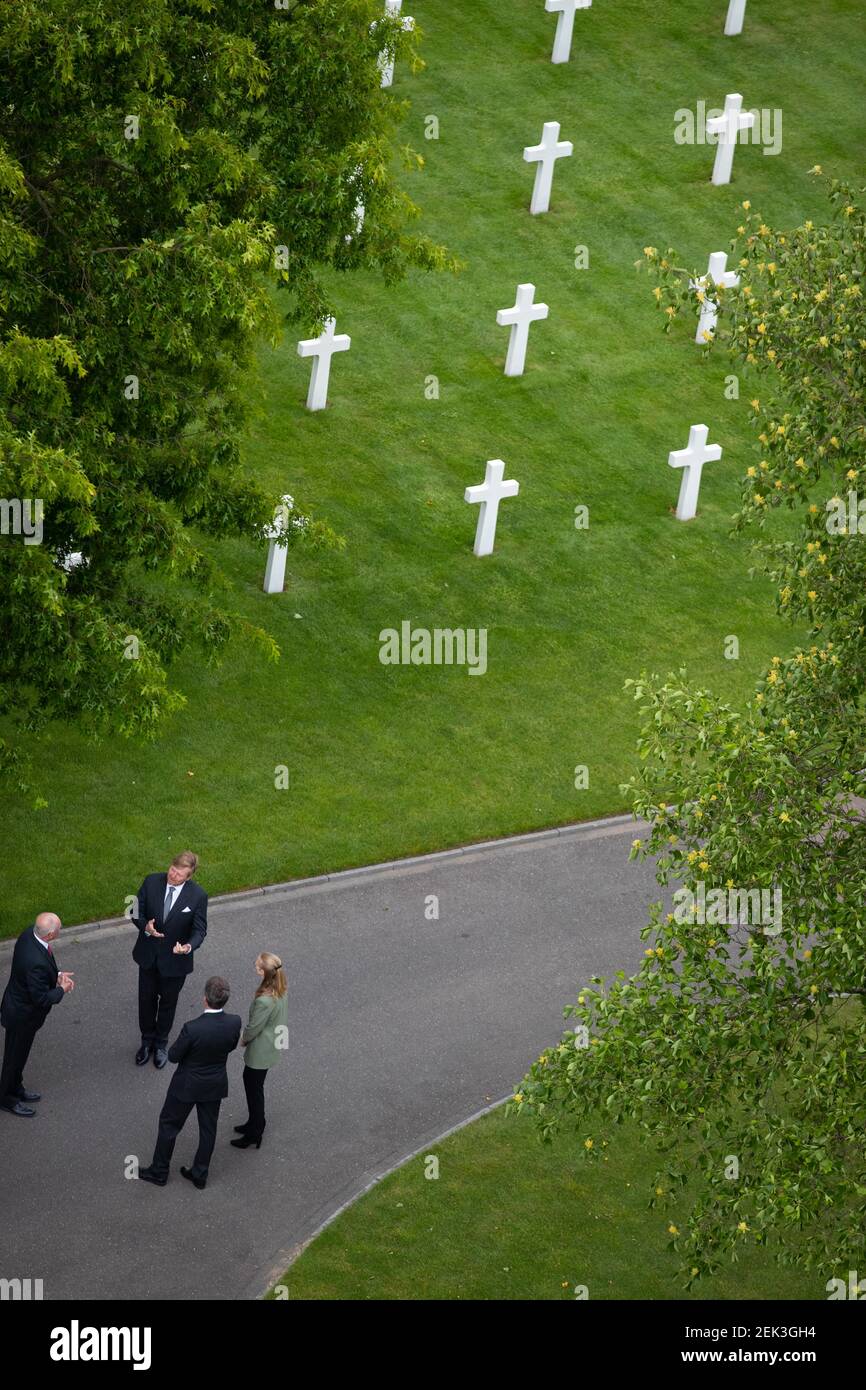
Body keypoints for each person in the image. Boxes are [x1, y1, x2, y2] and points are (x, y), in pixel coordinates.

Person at [138, 976, 241, 1190]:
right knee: (208, 1130)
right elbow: (231, 1046)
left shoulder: (192, 1028)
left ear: (205, 999)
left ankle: (159, 1171)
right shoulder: (234, 1022)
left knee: (169, 1125)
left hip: (186, 1085)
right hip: (214, 1084)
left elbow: (174, 1056)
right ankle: (200, 1173)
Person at [131, 850, 208, 1068]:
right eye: (173, 870)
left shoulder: (198, 896)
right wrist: (145, 926)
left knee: (167, 1003)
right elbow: (135, 910)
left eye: (179, 874)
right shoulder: (151, 881)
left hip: (175, 962)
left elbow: (200, 930)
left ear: (189, 877)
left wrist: (188, 946)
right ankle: (146, 1041)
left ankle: (161, 1044)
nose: (173, 875)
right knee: (145, 1000)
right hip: (148, 956)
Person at [0, 912, 75, 1117]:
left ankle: (16, 1087)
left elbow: (40, 971)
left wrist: (57, 975)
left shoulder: (28, 935)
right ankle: (6, 1098)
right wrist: (63, 989)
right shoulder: (36, 964)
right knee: (13, 1059)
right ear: (50, 935)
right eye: (58, 930)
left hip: (19, 1009)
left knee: (19, 1056)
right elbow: (41, 998)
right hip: (22, 1017)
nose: (59, 932)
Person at [231, 952, 288, 1150]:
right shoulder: (280, 988)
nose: (255, 966)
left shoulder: (264, 1000)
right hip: (271, 1045)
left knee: (253, 1089)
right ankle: (254, 1123)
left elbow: (254, 1027)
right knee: (256, 1087)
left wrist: (243, 1039)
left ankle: (255, 1131)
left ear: (263, 971)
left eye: (257, 965)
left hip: (261, 1051)